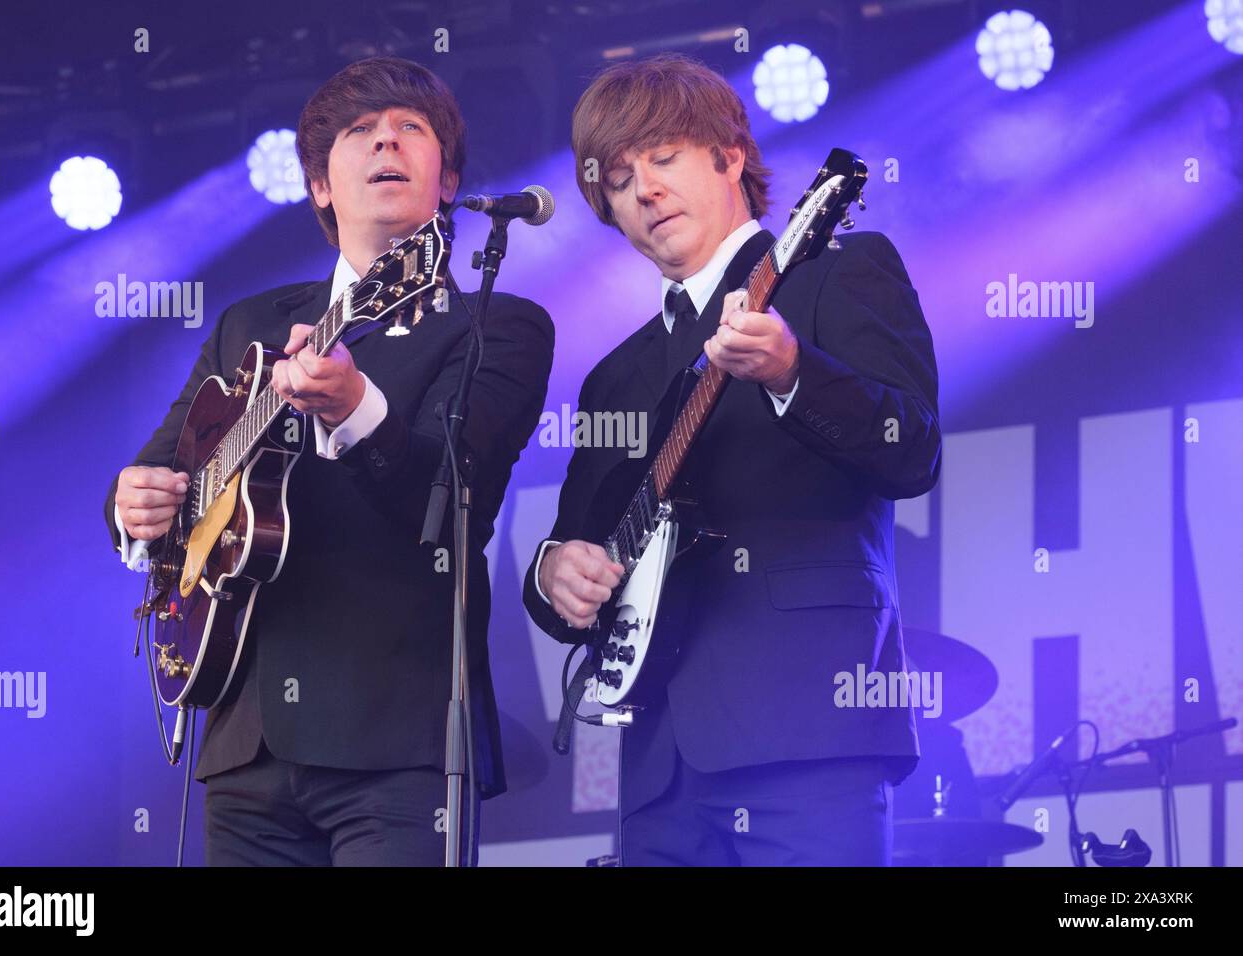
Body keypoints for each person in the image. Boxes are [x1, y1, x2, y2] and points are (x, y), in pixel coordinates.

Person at [107, 56, 554, 866]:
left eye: (410, 129)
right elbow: (162, 467)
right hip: (246, 739)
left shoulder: (499, 324)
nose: (387, 138)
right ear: (319, 185)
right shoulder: (253, 323)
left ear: (445, 183)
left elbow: (455, 494)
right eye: (361, 131)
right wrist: (132, 510)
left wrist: (354, 409)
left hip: (399, 739)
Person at [522, 54, 940, 866]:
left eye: (664, 156)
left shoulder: (836, 274)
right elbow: (578, 541)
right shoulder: (616, 373)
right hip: (655, 769)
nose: (642, 189)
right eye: (617, 179)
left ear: (730, 156)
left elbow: (913, 447)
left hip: (809, 730)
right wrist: (552, 572)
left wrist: (793, 373)